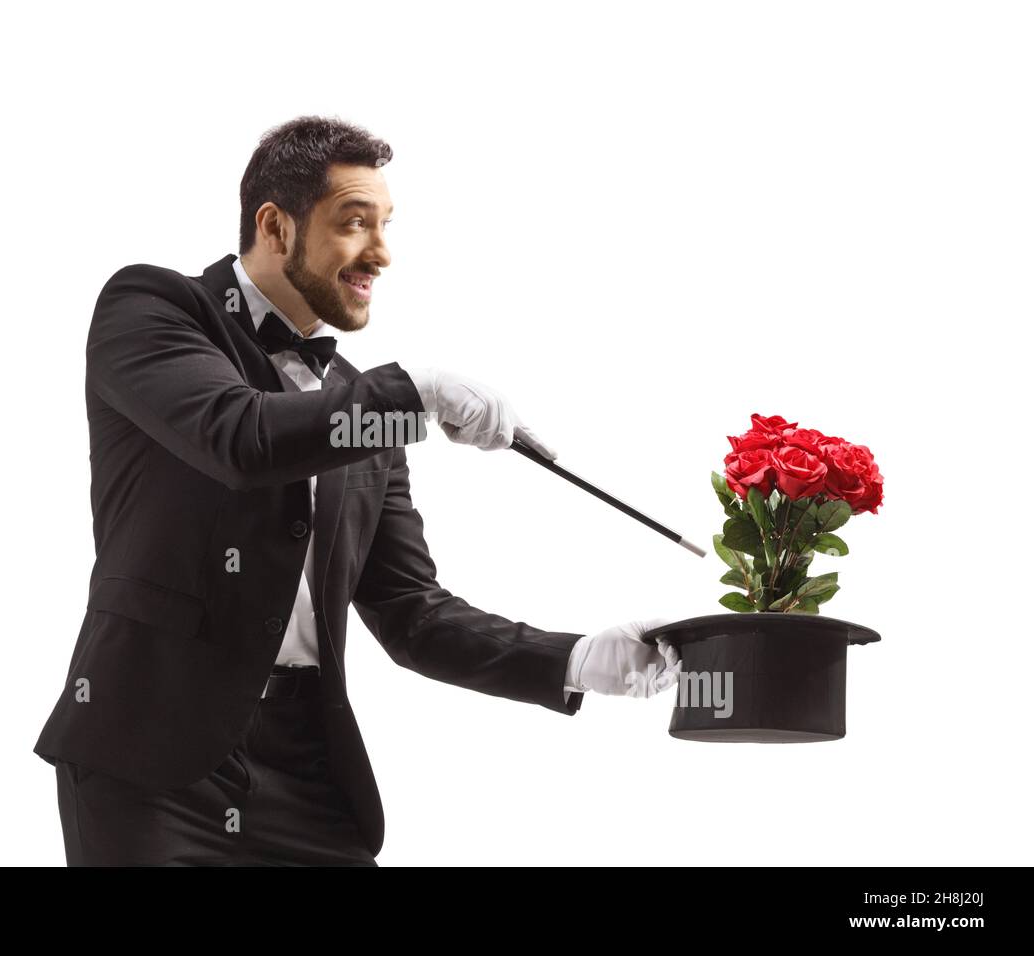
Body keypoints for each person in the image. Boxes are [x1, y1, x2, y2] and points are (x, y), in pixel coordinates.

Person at [33, 115, 682, 866]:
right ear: (275, 227)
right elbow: (241, 437)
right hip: (150, 762)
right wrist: (418, 392)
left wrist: (577, 660)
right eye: (353, 223)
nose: (380, 252)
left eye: (386, 225)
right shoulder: (154, 309)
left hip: (307, 770)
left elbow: (412, 612)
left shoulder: (355, 403)